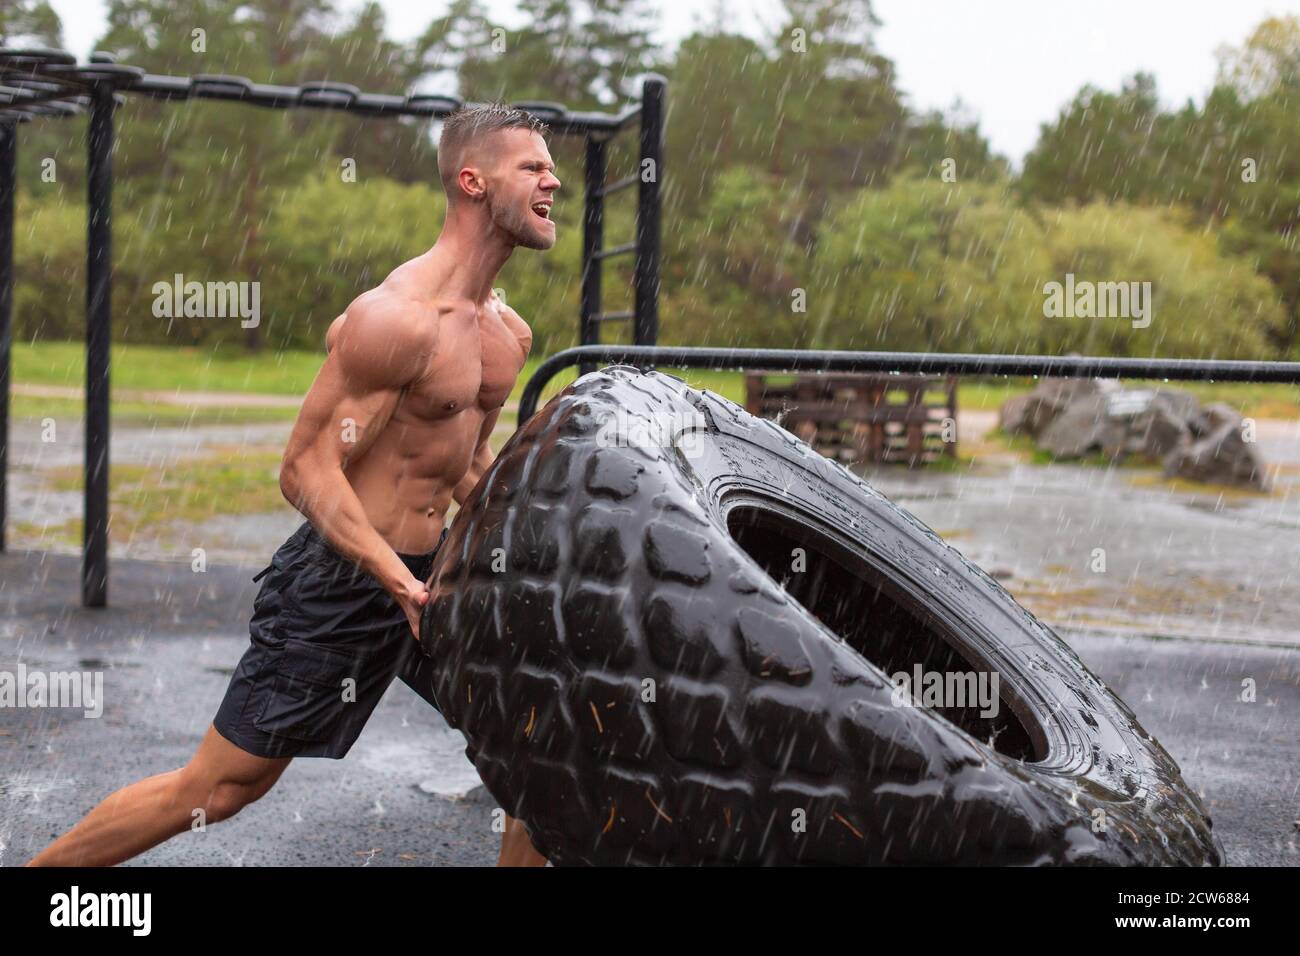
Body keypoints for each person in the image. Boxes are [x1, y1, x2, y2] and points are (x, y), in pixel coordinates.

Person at [28, 104, 560, 868]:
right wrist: (391, 579)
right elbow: (306, 469)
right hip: (345, 580)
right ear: (472, 182)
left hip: (435, 576)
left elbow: (466, 465)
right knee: (217, 791)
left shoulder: (505, 335)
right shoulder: (399, 320)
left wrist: (529, 543)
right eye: (533, 168)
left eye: (550, 166)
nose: (554, 180)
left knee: (541, 749)